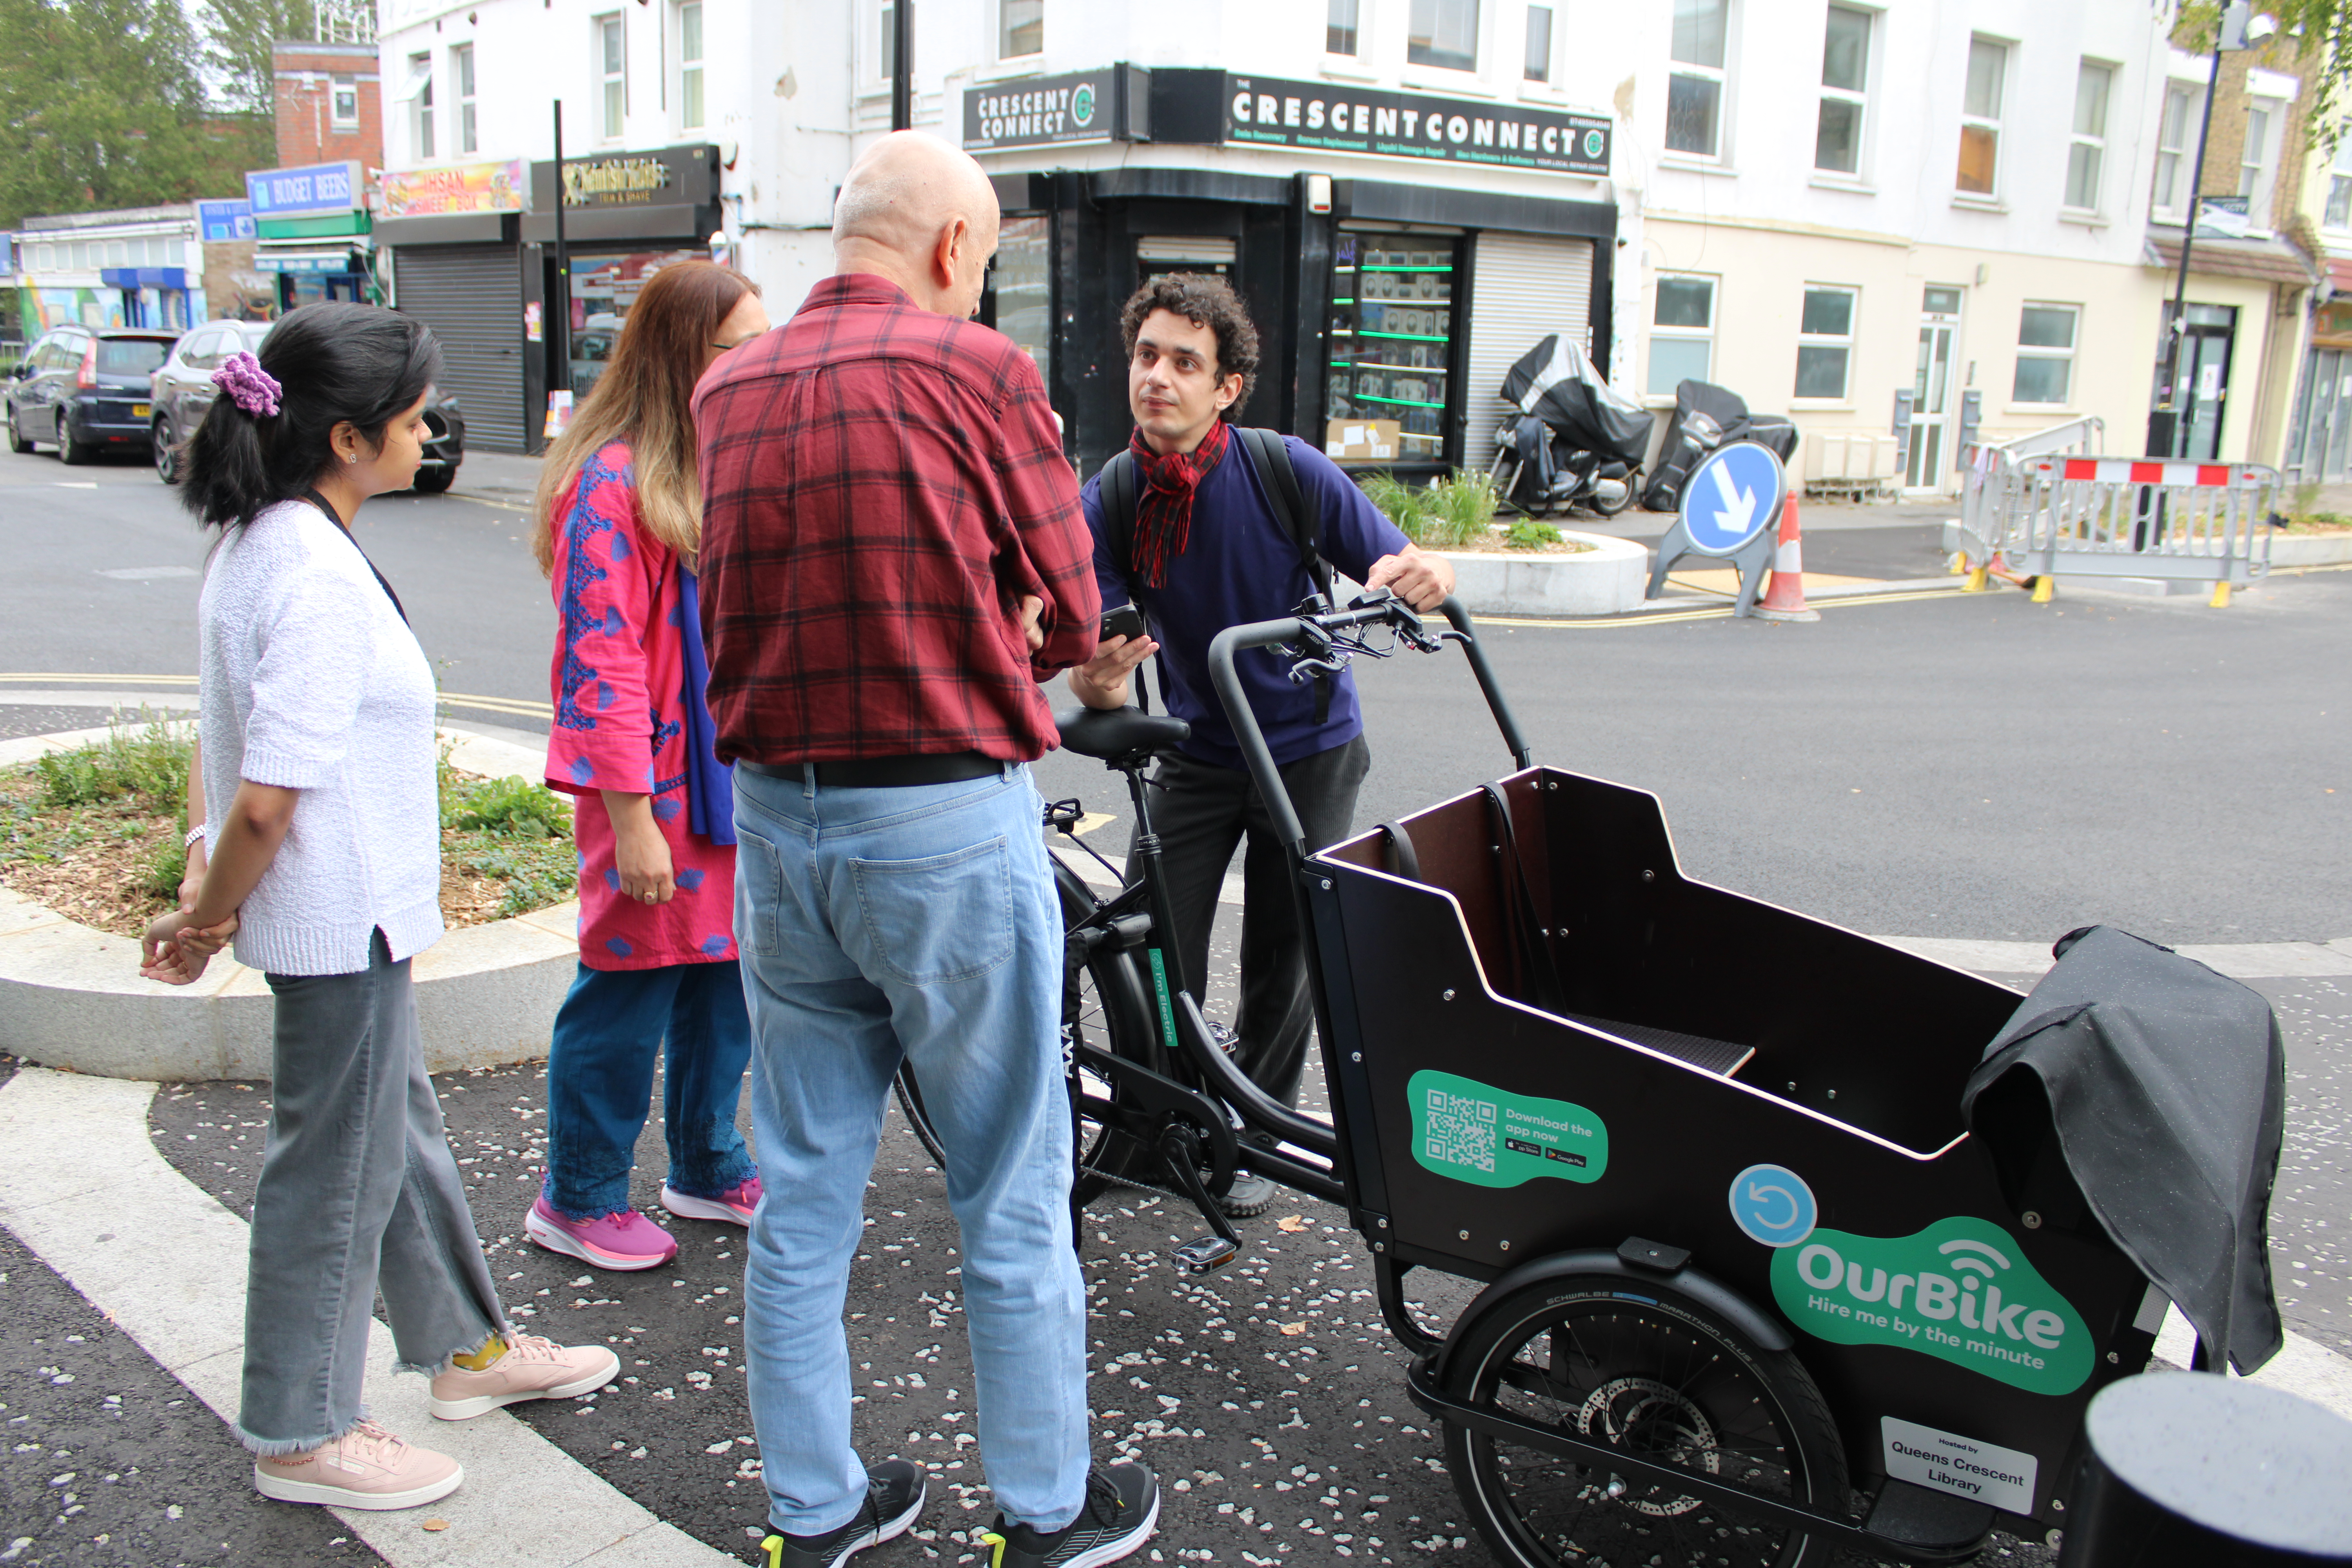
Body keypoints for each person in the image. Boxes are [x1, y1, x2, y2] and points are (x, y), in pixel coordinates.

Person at [695, 131, 1158, 1568]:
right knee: (1010, 1176)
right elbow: (1077, 613)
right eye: (992, 259)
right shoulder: (977, 373)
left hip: (780, 823)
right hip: (944, 822)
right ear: (955, 247)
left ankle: (815, 1512)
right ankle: (1044, 1509)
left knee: (806, 1181)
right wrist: (1014, 623)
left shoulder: (727, 383)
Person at [142, 302, 617, 1511]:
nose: (432, 432)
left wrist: (208, 895)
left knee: (387, 1139)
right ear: (348, 439)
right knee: (333, 1166)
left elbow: (234, 753)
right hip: (335, 914)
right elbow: (265, 798)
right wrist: (203, 917)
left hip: (352, 914)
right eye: (414, 419)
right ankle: (300, 1429)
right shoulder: (309, 570)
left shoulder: (272, 538)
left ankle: (465, 1349)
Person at [1067, 274, 1455, 1217]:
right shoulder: (1113, 496)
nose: (1158, 377)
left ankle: (1258, 1133)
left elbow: (1393, 563)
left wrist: (1427, 572)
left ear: (1227, 386)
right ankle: (1158, 1128)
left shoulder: (1285, 469)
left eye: (1185, 362)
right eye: (1147, 355)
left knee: (1291, 953)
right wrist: (1099, 679)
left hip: (1310, 747)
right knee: (1156, 941)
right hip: (1198, 750)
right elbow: (1093, 664)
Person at [523, 261, 773, 1272]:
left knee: (725, 986)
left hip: (722, 784)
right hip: (656, 792)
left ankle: (706, 1164)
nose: (761, 363)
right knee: (624, 993)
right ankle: (576, 1195)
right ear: (682, 358)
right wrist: (631, 819)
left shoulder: (710, 462)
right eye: (739, 348)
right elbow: (602, 663)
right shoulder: (611, 482)